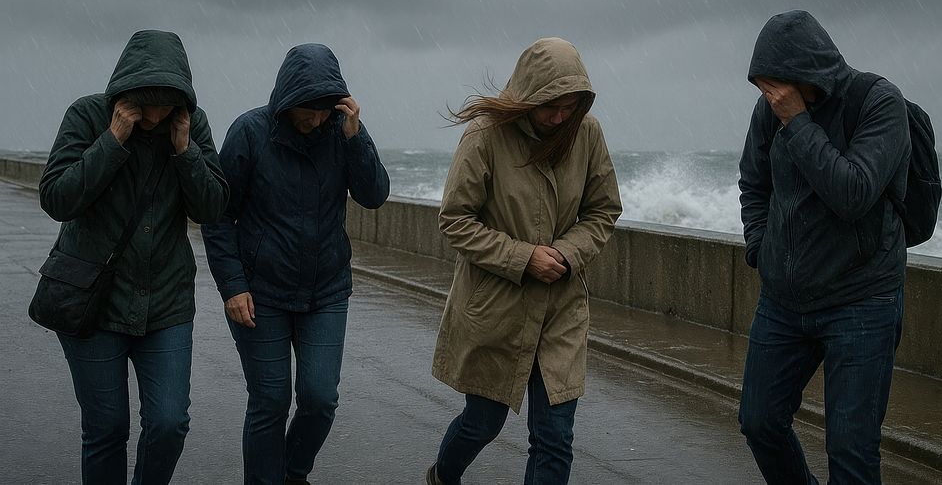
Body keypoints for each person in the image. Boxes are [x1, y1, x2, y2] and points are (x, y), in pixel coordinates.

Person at [426, 37, 622, 485]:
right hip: (497, 307)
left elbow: (604, 209)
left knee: (554, 436)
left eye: (569, 107)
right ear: (526, 98)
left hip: (561, 309)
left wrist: (567, 254)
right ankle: (442, 477)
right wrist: (522, 257)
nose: (559, 118)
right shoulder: (484, 135)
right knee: (483, 422)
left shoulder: (587, 133)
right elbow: (454, 220)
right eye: (549, 107)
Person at [38, 30, 229, 484]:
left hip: (166, 301)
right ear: (126, 91)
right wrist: (113, 138)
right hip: (92, 299)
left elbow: (213, 207)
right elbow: (57, 199)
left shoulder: (190, 124)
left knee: (169, 423)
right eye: (148, 102)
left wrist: (185, 151)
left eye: (166, 104)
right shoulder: (87, 115)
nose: (156, 114)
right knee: (106, 429)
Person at [201, 43, 390, 485]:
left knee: (320, 398)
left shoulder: (342, 132)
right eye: (309, 110)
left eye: (326, 109)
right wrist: (232, 285)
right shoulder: (249, 133)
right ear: (287, 100)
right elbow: (217, 215)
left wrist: (356, 136)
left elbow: (375, 194)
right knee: (268, 402)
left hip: (325, 291)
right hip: (260, 293)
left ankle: (292, 472)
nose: (317, 119)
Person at [737, 10, 911, 484]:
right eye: (763, 88)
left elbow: (853, 193)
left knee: (851, 451)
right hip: (783, 300)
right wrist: (760, 246)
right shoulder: (769, 112)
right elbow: (754, 184)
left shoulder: (878, 103)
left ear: (807, 73)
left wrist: (797, 121)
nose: (770, 98)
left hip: (862, 299)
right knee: (759, 423)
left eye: (776, 87)